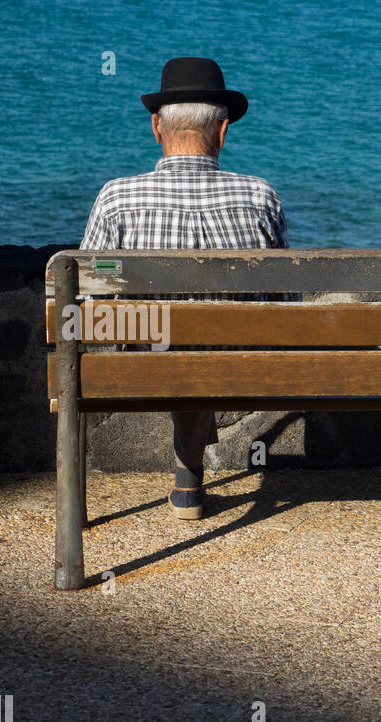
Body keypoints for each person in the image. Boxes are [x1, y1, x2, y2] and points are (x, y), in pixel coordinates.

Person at [79, 57, 288, 519]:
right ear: (222, 131)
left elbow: (88, 302)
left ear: (157, 126)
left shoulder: (117, 198)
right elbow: (286, 303)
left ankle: (185, 479)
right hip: (237, 366)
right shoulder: (260, 197)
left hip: (145, 366)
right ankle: (188, 478)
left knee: (170, 337)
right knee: (209, 344)